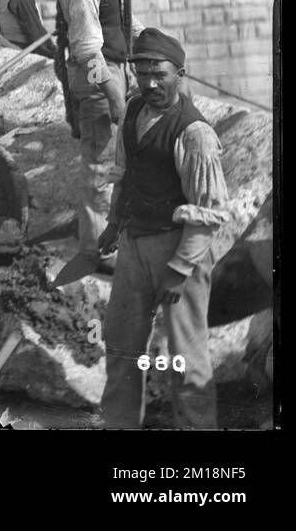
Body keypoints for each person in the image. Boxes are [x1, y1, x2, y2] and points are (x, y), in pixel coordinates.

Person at [98, 29, 228, 429]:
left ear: (181, 74)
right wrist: (114, 222)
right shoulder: (135, 109)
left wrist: (179, 268)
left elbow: (210, 210)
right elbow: (125, 172)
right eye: (142, 74)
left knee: (187, 355)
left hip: (179, 249)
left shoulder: (195, 133)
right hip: (135, 243)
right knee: (121, 346)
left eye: (161, 74)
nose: (151, 83)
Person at [55, 0, 136, 271]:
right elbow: (87, 48)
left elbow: (114, 22)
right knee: (99, 162)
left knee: (107, 160)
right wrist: (113, 92)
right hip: (97, 75)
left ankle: (101, 234)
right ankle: (95, 249)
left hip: (111, 67)